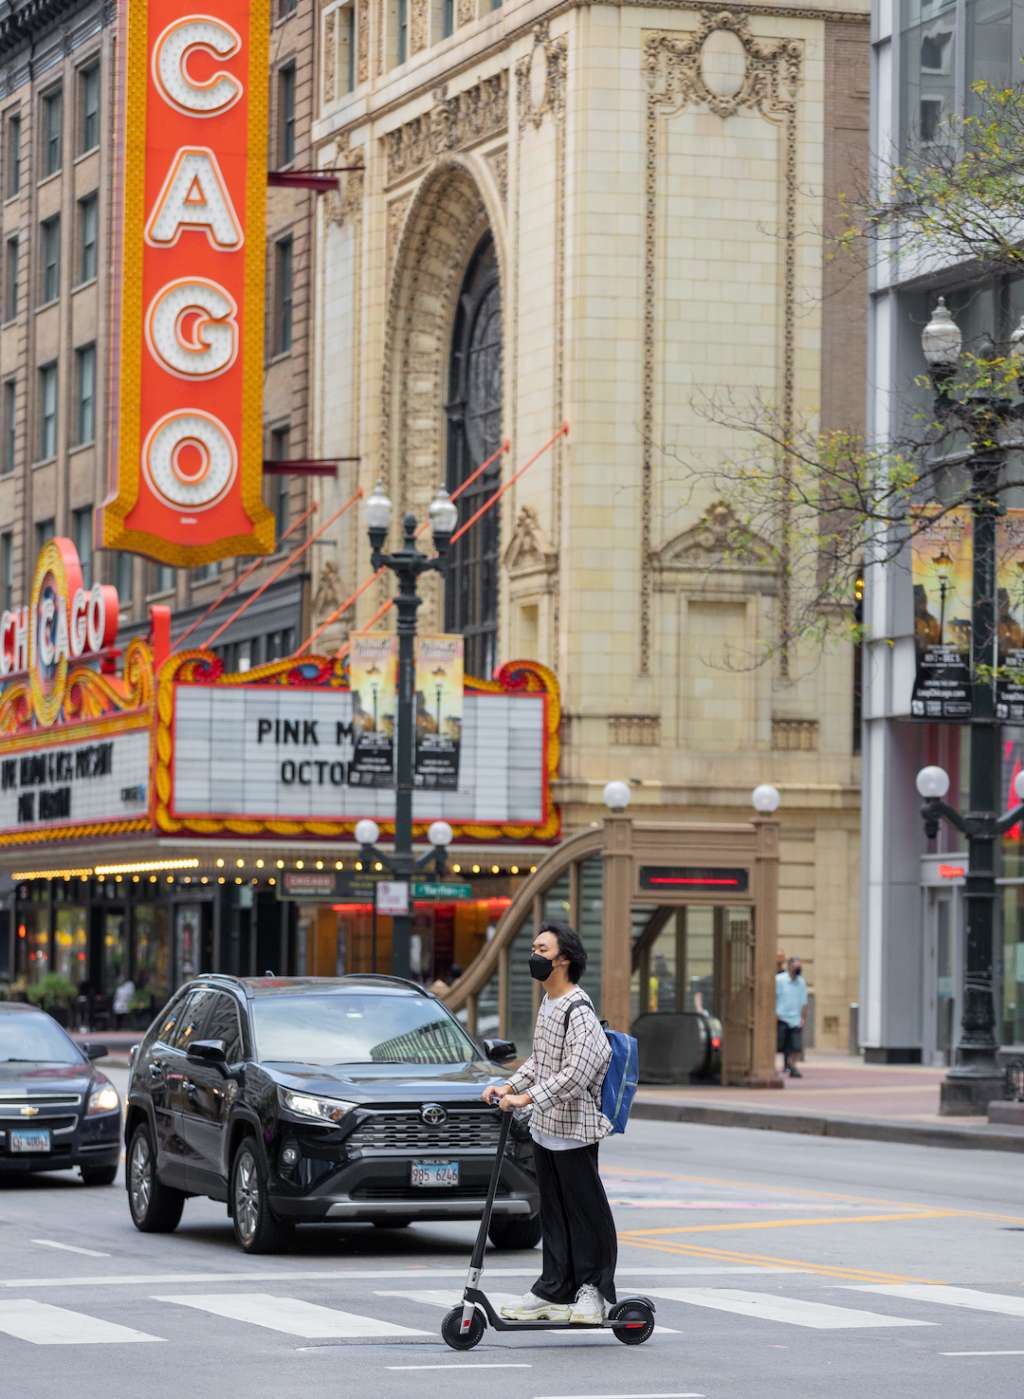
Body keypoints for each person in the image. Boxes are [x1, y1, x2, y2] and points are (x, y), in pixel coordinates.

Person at [481, 920, 617, 1326]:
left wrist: (525, 1097)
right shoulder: (549, 1004)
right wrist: (508, 1084)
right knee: (554, 1216)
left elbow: (578, 1071)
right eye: (534, 949)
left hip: (575, 1131)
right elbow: (542, 1061)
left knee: (585, 1214)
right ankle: (553, 1289)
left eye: (542, 949)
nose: (534, 956)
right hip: (547, 1129)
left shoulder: (579, 1010)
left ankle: (594, 1292)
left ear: (564, 959)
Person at [776, 955, 808, 1078]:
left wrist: (803, 1018)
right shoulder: (779, 980)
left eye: (799, 967)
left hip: (795, 1019)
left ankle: (792, 1066)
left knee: (796, 1047)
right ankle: (777, 1066)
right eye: (796, 967)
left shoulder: (801, 982)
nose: (798, 969)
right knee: (779, 1044)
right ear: (789, 966)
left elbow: (804, 1002)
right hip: (781, 1017)